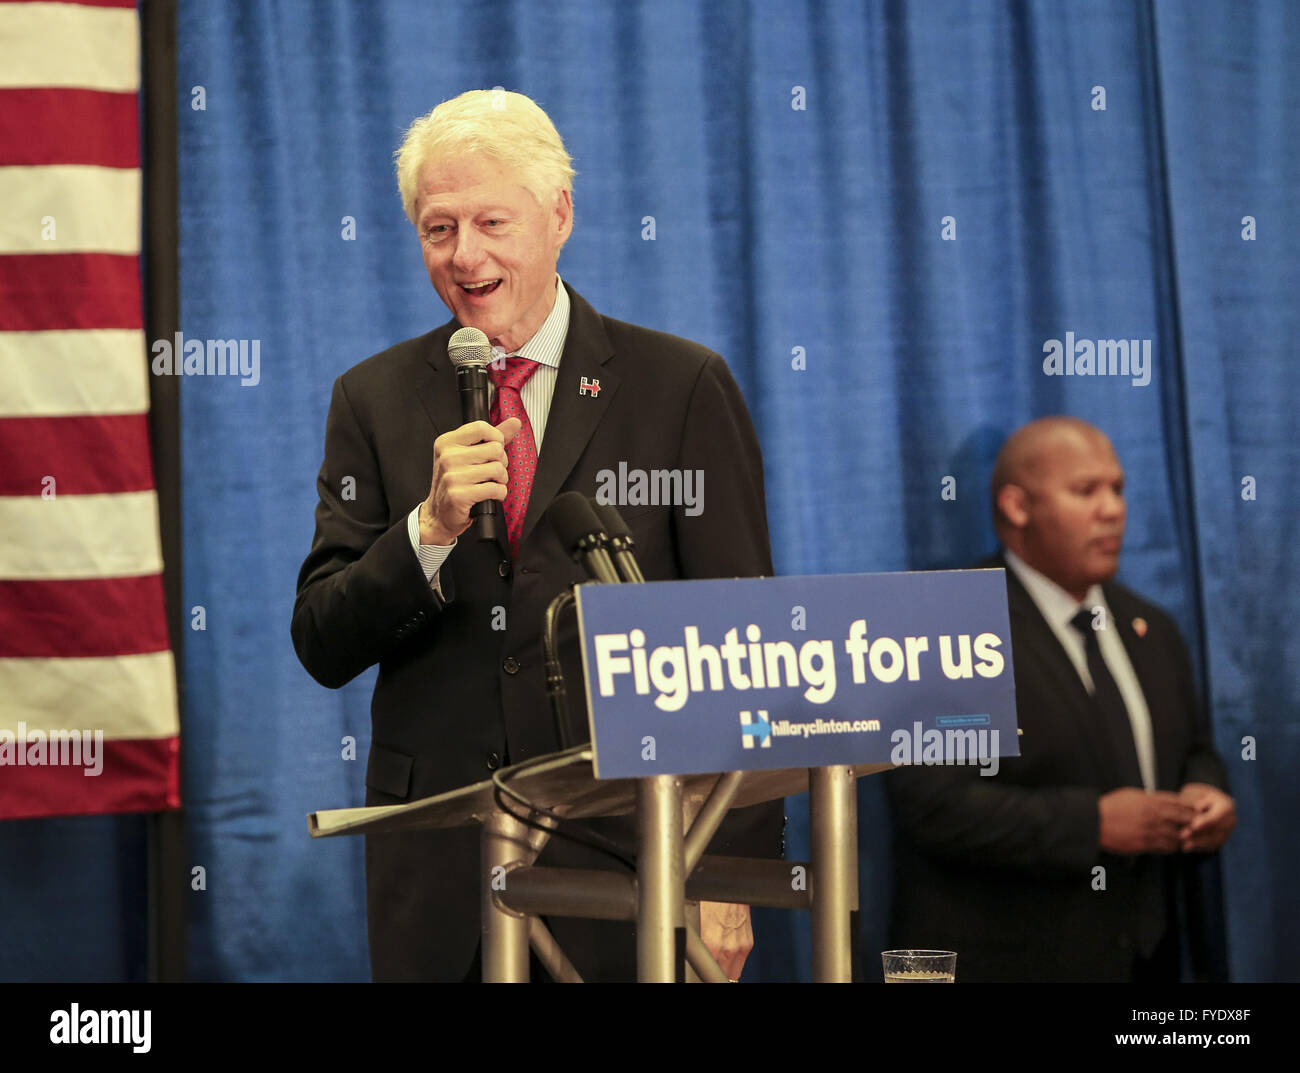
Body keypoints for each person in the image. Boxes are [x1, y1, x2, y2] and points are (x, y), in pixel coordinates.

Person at [291, 90, 782, 982]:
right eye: (438, 228)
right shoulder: (373, 397)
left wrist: (729, 871)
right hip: (439, 875)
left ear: (559, 215)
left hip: (628, 857)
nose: (464, 255)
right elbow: (323, 639)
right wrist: (427, 531)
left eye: (490, 221)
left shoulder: (678, 386)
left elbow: (740, 643)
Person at [885, 416, 1235, 982]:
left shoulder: (1150, 625)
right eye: (1086, 491)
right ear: (1017, 507)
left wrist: (1206, 792)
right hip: (1004, 960)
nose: (1113, 509)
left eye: (1118, 489)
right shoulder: (951, 627)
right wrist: (1091, 823)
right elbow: (929, 806)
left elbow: (1196, 748)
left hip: (1143, 961)